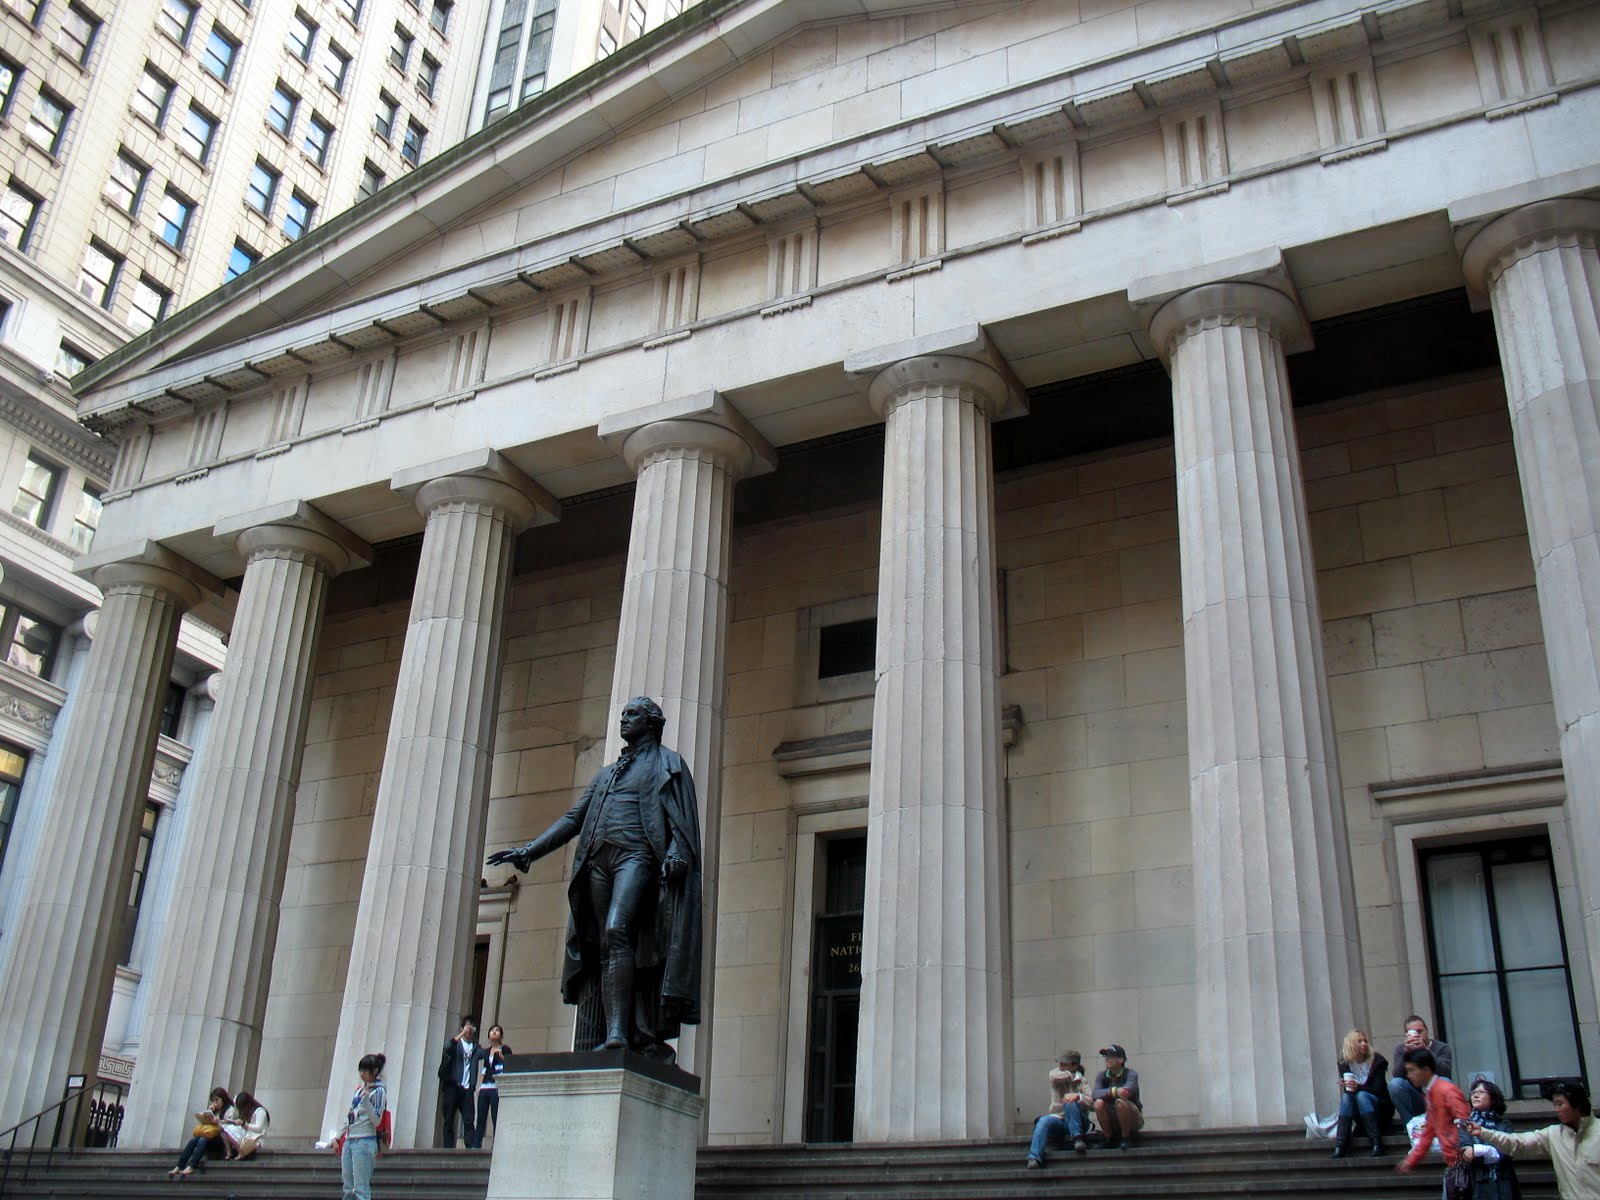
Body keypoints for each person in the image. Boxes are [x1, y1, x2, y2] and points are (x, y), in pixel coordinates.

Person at [488, 696, 702, 1060]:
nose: (623, 720)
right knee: (605, 944)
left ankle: (620, 1031)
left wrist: (676, 852)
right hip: (596, 863)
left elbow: (681, 821)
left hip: (636, 857)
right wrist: (530, 851)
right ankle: (616, 1029)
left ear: (650, 722)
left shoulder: (669, 764)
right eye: (622, 715)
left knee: (618, 929)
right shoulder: (607, 774)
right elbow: (574, 819)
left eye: (631, 715)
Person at [1465, 1080, 1598, 1199]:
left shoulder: (1597, 1132)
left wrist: (1480, 1149)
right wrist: (1483, 1132)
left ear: (1578, 1104)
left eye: (1560, 1104)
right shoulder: (1554, 1134)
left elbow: (1505, 1153)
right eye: (1555, 1104)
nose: (1556, 1110)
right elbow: (1518, 1143)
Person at [1397, 1047, 1469, 1177]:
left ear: (1426, 1070)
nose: (1409, 1075)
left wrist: (1461, 1155)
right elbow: (1429, 1131)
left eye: (1412, 1070)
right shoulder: (1431, 1093)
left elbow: (1464, 1122)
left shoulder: (1446, 1091)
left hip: (1463, 1162)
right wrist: (1411, 1160)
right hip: (1456, 1161)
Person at [1456, 1076, 1521, 1200]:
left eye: (1481, 1092)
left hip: (1504, 1183)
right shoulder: (1465, 1125)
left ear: (1493, 1097)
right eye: (1473, 1092)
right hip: (1478, 1183)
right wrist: (1490, 1151)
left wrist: (1480, 1150)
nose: (1475, 1095)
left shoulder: (1504, 1125)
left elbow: (1507, 1151)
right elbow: (1467, 1153)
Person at [1025, 1049, 1093, 1168]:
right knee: (1043, 1121)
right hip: (1059, 1119)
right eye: (1060, 1063)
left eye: (1064, 1064)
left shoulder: (1082, 1080)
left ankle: (1077, 1137)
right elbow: (1057, 1078)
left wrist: (1078, 1096)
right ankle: (1034, 1157)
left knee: (1070, 1101)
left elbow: (1092, 1103)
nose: (1060, 1066)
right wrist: (1073, 1074)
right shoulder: (1054, 1073)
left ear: (1074, 1065)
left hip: (1079, 1121)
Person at [1332, 1028, 1390, 1158]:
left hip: (1380, 1107)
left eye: (1365, 1041)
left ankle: (1376, 1143)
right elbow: (1351, 1093)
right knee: (1347, 1097)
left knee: (1362, 1095)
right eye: (1359, 1041)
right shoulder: (1345, 1064)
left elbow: (1378, 1089)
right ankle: (1340, 1145)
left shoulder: (1377, 1061)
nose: (1364, 1044)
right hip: (1359, 1111)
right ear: (1351, 1044)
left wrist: (1358, 1087)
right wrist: (1348, 1086)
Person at [1390, 1014, 1454, 1123]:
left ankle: (1442, 1124)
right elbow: (1397, 1074)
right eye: (1413, 1033)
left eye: (1420, 1031)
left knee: (1445, 1081)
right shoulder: (1401, 1050)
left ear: (1427, 1031)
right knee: (1395, 1084)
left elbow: (1446, 1071)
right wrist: (1406, 1052)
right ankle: (1411, 1125)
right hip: (1416, 1098)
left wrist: (1427, 1050)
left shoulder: (1441, 1047)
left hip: (1436, 1097)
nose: (1417, 1036)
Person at [341, 1052, 387, 1200]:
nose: (362, 1074)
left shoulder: (379, 1091)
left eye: (365, 1071)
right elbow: (351, 1114)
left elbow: (377, 1121)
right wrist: (337, 1136)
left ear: (375, 1071)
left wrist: (366, 1100)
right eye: (360, 1071)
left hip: (365, 1140)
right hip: (350, 1138)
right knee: (348, 1187)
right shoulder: (360, 1089)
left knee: (361, 1188)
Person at [437, 1017, 483, 1148]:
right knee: (449, 1120)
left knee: (469, 1121)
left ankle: (470, 1148)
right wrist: (462, 1034)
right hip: (453, 1086)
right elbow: (446, 1046)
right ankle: (448, 1148)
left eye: (472, 1027)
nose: (469, 1030)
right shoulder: (456, 1044)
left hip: (467, 1089)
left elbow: (486, 1054)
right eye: (467, 1027)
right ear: (462, 1028)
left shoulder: (476, 1048)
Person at [167, 1087, 229, 1177]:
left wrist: (217, 1121)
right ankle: (179, 1165)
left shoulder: (229, 1110)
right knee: (194, 1140)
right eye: (213, 1101)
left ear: (223, 1099)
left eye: (217, 1100)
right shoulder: (214, 1111)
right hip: (210, 1135)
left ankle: (192, 1165)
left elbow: (229, 1127)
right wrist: (209, 1113)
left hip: (221, 1138)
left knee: (202, 1140)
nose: (215, 1103)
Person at [1092, 1044, 1143, 1150]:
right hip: (1113, 1118)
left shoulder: (1131, 1074)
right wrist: (1114, 1091)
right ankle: (1108, 1138)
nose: (1106, 1059)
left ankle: (1126, 1138)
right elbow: (1094, 1094)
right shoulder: (1102, 1075)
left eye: (1110, 1056)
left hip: (1133, 1119)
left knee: (1121, 1102)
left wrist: (1109, 1093)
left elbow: (1126, 1091)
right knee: (1098, 1103)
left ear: (1121, 1060)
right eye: (1105, 1056)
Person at [474, 1024, 512, 1148]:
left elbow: (511, 1064)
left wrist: (502, 1057)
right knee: (481, 1117)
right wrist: (479, 1085)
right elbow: (485, 1068)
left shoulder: (505, 1049)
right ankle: (476, 1144)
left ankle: (496, 1144)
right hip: (485, 1086)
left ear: (501, 1035)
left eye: (497, 1030)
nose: (494, 1032)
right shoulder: (486, 1051)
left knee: (496, 1116)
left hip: (497, 1086)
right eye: (492, 1030)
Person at [218, 1090, 269, 1160]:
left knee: (229, 1130)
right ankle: (229, 1152)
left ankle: (241, 1152)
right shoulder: (249, 1113)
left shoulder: (260, 1112)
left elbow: (259, 1128)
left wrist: (244, 1124)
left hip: (256, 1139)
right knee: (224, 1129)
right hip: (248, 1136)